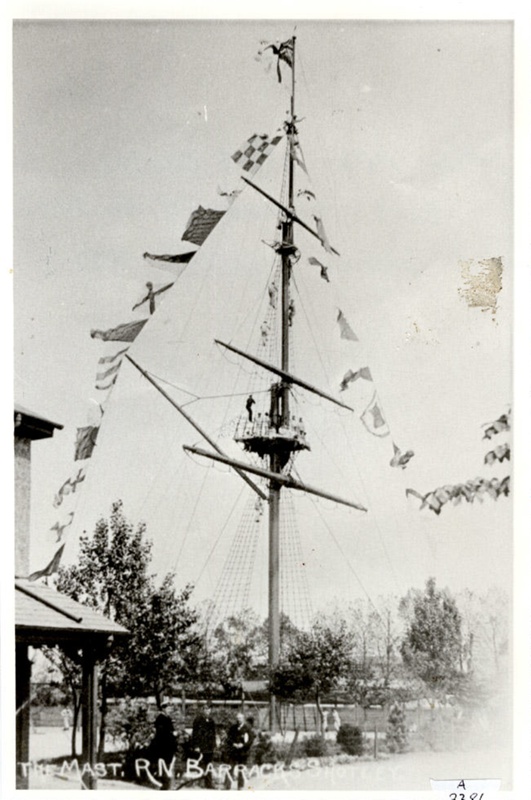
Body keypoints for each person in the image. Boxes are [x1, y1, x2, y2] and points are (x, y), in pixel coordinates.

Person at [149, 700, 177, 790]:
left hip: (168, 747)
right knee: (163, 766)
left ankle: (166, 784)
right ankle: (164, 785)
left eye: (171, 708)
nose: (170, 710)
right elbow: (161, 734)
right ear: (163, 708)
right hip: (162, 747)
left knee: (167, 765)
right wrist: (172, 734)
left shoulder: (168, 718)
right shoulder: (160, 719)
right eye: (168, 708)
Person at [191, 703, 217, 788]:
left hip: (209, 747)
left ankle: (208, 783)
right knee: (201, 764)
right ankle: (199, 782)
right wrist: (196, 746)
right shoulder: (198, 720)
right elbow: (194, 734)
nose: (207, 711)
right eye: (205, 709)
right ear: (202, 710)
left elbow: (213, 734)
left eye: (208, 709)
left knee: (209, 764)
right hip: (201, 747)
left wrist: (214, 746)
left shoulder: (211, 721)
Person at [225, 712, 250, 790]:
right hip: (233, 751)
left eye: (240, 718)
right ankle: (227, 785)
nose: (238, 720)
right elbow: (228, 739)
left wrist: (243, 745)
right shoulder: (233, 728)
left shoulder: (247, 728)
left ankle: (240, 785)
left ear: (243, 719)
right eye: (237, 718)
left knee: (241, 768)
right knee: (230, 767)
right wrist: (233, 744)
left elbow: (251, 740)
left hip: (242, 752)